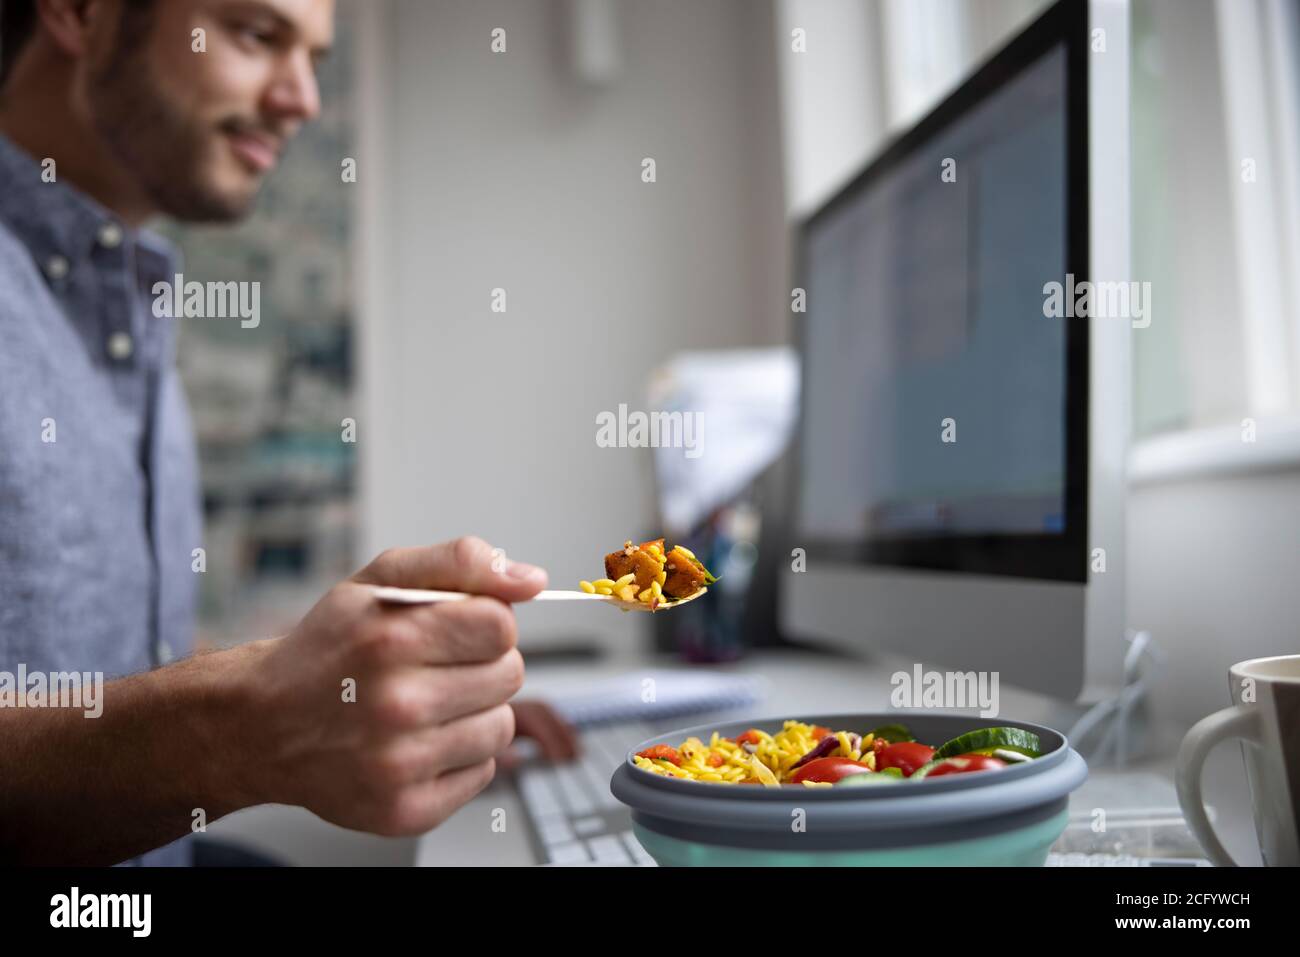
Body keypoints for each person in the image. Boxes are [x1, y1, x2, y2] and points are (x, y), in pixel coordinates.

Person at [0, 0, 577, 866]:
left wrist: (373, 697)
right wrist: (245, 727)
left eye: (312, 54)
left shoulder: (128, 293)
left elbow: (94, 658)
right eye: (256, 34)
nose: (303, 97)